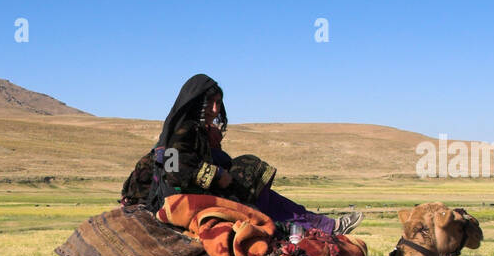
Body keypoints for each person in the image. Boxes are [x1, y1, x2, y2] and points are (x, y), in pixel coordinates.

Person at [120, 74, 361, 235]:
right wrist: (216, 176)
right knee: (249, 187)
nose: (215, 110)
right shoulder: (181, 131)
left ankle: (317, 223)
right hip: (177, 197)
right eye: (211, 103)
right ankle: (311, 226)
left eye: (218, 104)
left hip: (196, 189)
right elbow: (175, 170)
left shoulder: (197, 131)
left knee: (256, 183)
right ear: (197, 103)